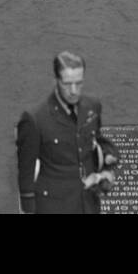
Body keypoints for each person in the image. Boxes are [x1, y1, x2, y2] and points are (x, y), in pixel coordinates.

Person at [15, 51, 119, 214]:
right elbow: (26, 174)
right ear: (56, 80)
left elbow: (96, 143)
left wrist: (105, 166)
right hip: (53, 207)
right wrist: (29, 210)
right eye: (67, 84)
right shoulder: (35, 119)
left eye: (79, 83)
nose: (74, 90)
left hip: (88, 205)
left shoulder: (92, 107)